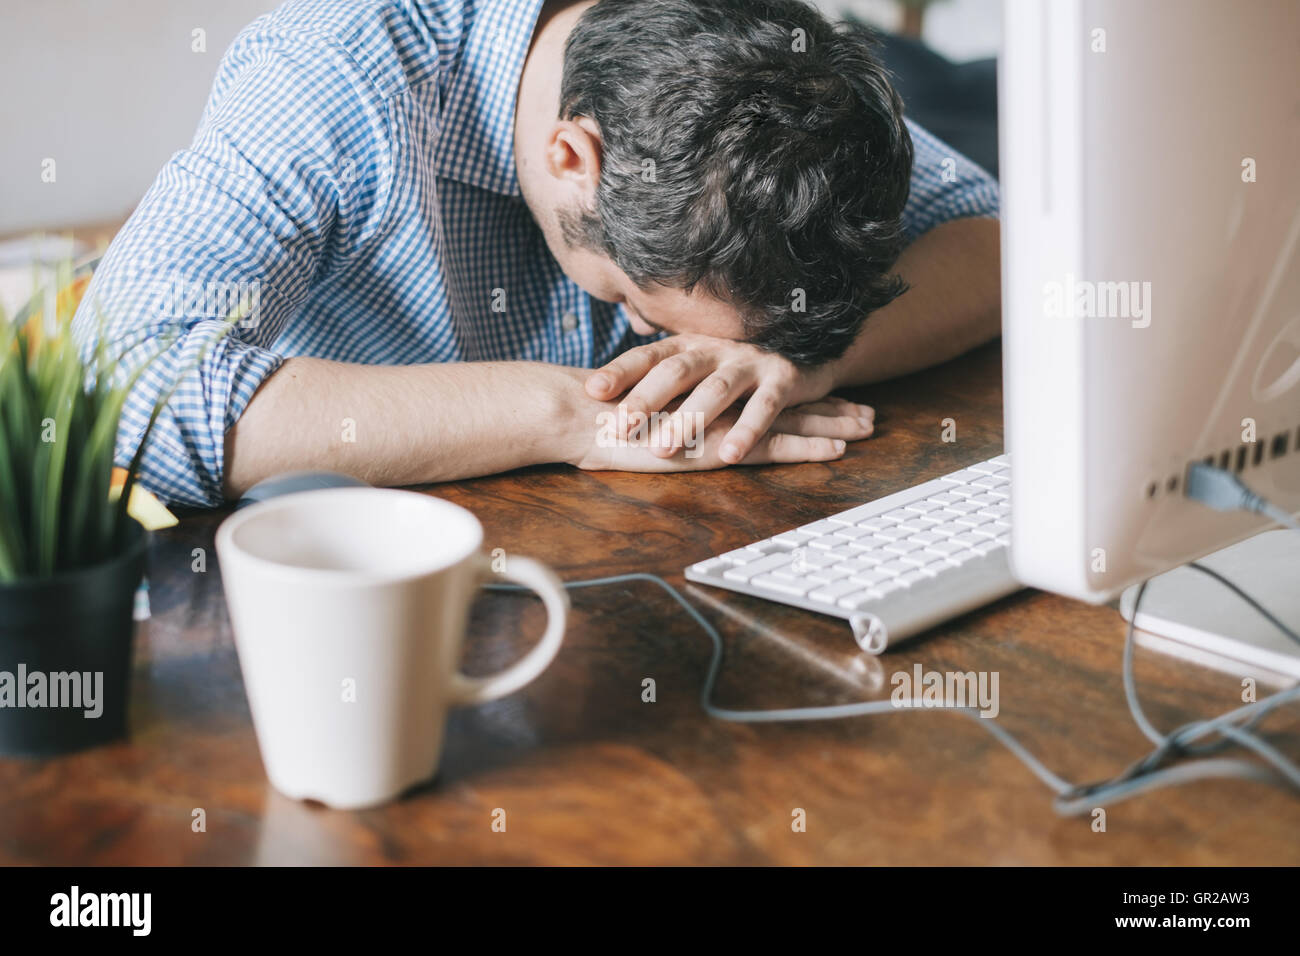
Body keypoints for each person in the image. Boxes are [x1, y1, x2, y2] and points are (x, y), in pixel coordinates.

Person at [74, 0, 1001, 507]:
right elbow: (125, 387)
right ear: (573, 158)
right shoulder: (333, 72)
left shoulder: (747, 60)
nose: (672, 353)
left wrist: (794, 358)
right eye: (655, 311)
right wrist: (574, 419)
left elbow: (1004, 242)